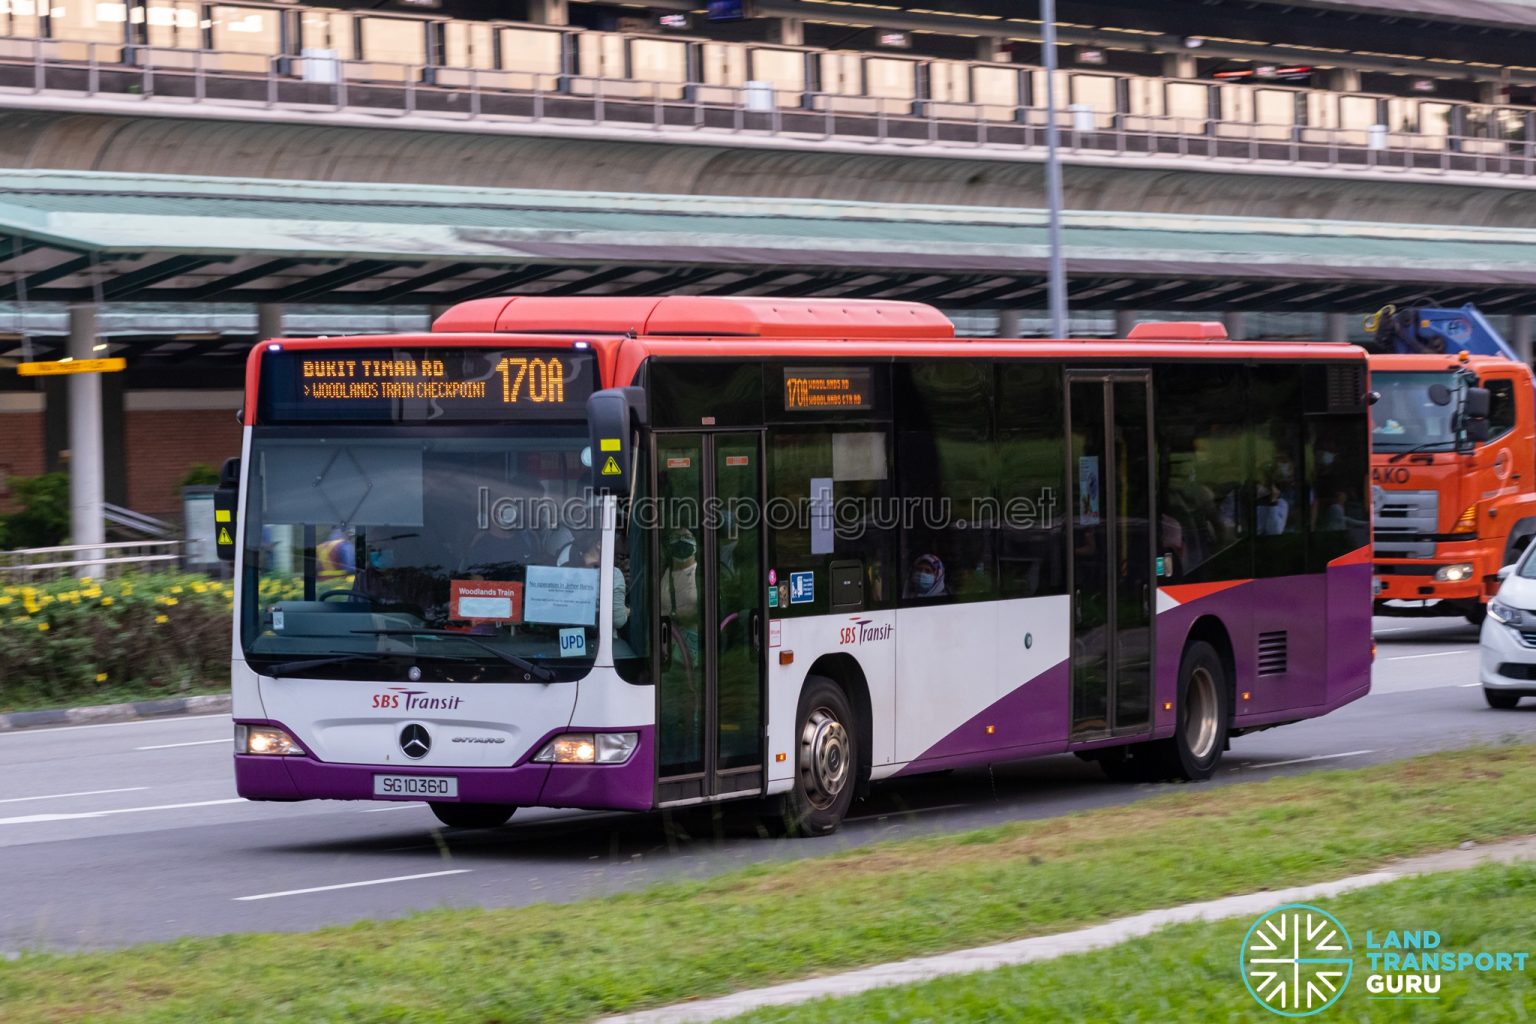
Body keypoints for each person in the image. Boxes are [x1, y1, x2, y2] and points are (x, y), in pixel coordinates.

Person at [560, 530, 629, 630]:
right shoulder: (613, 575)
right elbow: (618, 621)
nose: (618, 549)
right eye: (614, 544)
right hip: (600, 640)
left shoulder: (566, 568)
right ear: (599, 544)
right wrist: (627, 611)